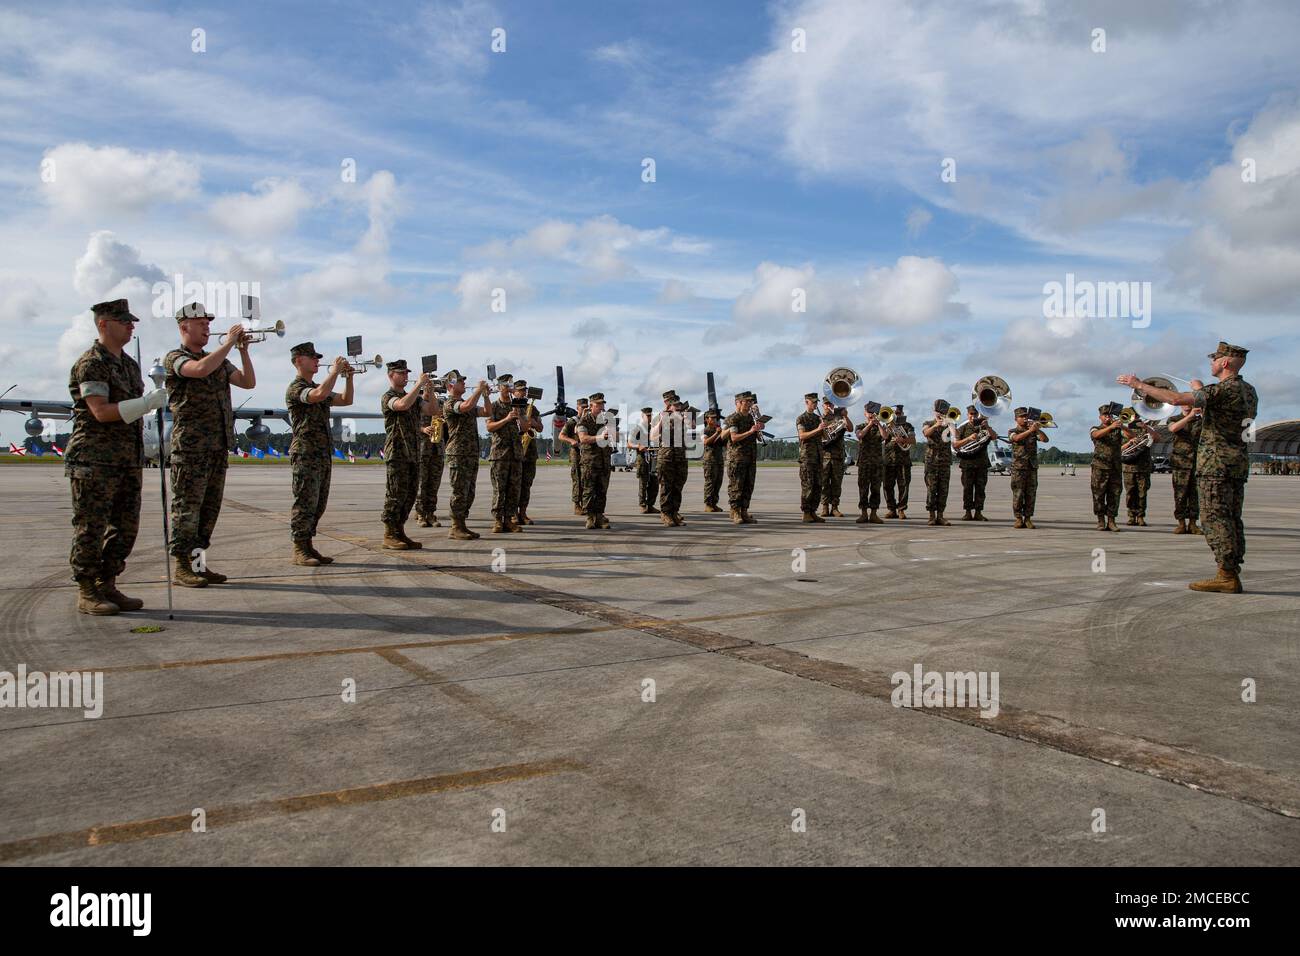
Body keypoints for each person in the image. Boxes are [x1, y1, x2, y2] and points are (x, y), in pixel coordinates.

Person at [1117, 342, 1258, 593]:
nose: (1211, 363)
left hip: (1216, 465)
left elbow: (1174, 398)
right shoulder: (1248, 390)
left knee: (1215, 519)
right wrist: (1202, 391)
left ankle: (1226, 575)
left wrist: (1138, 385)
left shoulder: (1222, 390)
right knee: (1232, 519)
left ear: (1225, 363)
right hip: (1236, 464)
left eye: (1214, 359)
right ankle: (1231, 570)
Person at [64, 298, 165, 614]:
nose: (131, 325)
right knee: (90, 528)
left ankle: (108, 584)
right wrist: (147, 403)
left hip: (126, 460)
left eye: (131, 321)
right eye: (124, 321)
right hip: (94, 460)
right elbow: (101, 412)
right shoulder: (91, 363)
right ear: (103, 324)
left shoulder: (129, 366)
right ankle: (87, 590)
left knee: (125, 529)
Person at [164, 302, 255, 587]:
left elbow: (247, 382)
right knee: (187, 510)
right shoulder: (175, 357)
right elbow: (200, 369)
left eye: (207, 322)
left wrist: (242, 350)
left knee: (208, 512)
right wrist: (228, 343)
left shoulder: (218, 359)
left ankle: (198, 565)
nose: (206, 327)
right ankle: (182, 567)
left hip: (216, 447)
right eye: (201, 323)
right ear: (184, 327)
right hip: (191, 449)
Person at [286, 342, 353, 565]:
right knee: (305, 501)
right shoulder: (296, 388)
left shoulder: (319, 386)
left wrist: (348, 378)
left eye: (317, 357)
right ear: (298, 361)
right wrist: (334, 371)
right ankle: (299, 548)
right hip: (305, 452)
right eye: (311, 357)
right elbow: (317, 395)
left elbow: (345, 400)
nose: (316, 360)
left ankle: (308, 545)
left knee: (318, 503)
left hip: (321, 453)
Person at [379, 359, 435, 549]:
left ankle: (399, 531)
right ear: (390, 375)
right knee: (395, 494)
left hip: (412, 452)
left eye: (406, 373)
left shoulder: (414, 397)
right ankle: (389, 534)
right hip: (397, 452)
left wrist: (431, 390)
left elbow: (433, 410)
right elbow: (401, 405)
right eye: (401, 373)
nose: (405, 376)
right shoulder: (388, 396)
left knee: (409, 495)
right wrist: (419, 384)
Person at [442, 371, 493, 540]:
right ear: (450, 386)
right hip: (458, 453)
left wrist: (485, 395)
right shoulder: (451, 403)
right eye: (461, 381)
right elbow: (464, 408)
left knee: (469, 491)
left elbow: (487, 412)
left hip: (470, 453)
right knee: (459, 490)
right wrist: (478, 391)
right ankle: (455, 526)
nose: (464, 383)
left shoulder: (467, 403)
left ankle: (462, 524)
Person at [486, 374, 524, 533]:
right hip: (500, 454)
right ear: (500, 387)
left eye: (511, 385)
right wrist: (507, 419)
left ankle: (509, 520)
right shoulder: (494, 406)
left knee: (513, 489)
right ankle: (497, 520)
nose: (509, 388)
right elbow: (489, 427)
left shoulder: (517, 405)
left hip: (515, 454)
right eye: (506, 385)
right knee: (499, 489)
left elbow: (525, 427)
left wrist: (519, 415)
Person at [576, 392, 614, 528]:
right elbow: (583, 438)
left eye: (602, 404)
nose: (601, 407)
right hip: (590, 461)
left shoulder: (606, 420)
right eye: (598, 404)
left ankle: (599, 516)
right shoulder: (584, 420)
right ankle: (590, 517)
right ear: (591, 405)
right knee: (589, 490)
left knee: (602, 490)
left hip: (604, 461)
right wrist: (599, 437)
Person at [1007, 406, 1050, 528]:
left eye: (1026, 416)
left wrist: (1037, 429)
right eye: (1022, 416)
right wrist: (1030, 431)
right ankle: (1018, 518)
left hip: (1031, 467)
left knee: (1031, 494)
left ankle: (1028, 518)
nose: (1025, 418)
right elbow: (1016, 438)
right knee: (1018, 494)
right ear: (1016, 419)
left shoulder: (1033, 431)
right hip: (1018, 468)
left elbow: (1045, 439)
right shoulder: (1012, 431)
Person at [725, 392, 763, 523]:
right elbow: (734, 438)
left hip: (750, 457)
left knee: (748, 485)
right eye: (746, 401)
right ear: (739, 402)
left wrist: (758, 429)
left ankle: (744, 511)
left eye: (750, 401)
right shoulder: (733, 418)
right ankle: (735, 512)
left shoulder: (751, 418)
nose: (749, 403)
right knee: (736, 486)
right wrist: (750, 431)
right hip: (737, 458)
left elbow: (757, 437)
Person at [952, 405, 994, 521]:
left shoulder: (984, 427)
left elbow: (994, 437)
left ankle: (978, 513)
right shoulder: (963, 428)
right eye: (971, 414)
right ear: (968, 415)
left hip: (982, 464)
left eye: (975, 414)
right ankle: (968, 512)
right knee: (967, 489)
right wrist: (969, 439)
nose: (973, 416)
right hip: (967, 464)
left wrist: (988, 427)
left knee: (981, 490)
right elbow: (955, 445)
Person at [415, 384, 447, 529]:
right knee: (422, 484)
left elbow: (446, 418)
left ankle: (430, 513)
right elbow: (409, 423)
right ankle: (421, 514)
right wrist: (422, 428)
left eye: (431, 389)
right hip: (422, 448)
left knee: (434, 483)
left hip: (437, 448)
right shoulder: (416, 402)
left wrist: (443, 419)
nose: (429, 391)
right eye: (427, 389)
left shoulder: (439, 403)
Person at [1168, 406, 1203, 535]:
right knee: (1180, 495)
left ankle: (1193, 524)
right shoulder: (1174, 418)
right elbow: (1173, 428)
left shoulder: (1201, 420)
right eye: (1184, 402)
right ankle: (1181, 523)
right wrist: (1189, 417)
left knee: (1195, 495)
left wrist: (1203, 413)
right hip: (1180, 463)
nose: (1187, 405)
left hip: (1197, 463)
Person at [1088, 405, 1124, 531]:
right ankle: (1100, 520)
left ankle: (1112, 521)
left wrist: (1122, 426)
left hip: (1115, 467)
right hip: (1100, 467)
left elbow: (1131, 437)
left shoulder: (1118, 429)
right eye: (1105, 415)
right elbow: (1096, 435)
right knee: (1098, 494)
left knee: (1115, 494)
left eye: (1109, 415)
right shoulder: (1095, 428)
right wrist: (1111, 427)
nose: (1108, 417)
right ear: (1100, 417)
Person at [654, 390, 688, 525]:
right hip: (666, 457)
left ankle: (674, 512)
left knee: (678, 486)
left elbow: (692, 427)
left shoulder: (682, 416)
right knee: (666, 487)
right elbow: (653, 436)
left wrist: (684, 417)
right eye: (672, 402)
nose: (676, 406)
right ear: (667, 403)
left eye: (677, 403)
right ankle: (666, 514)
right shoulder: (660, 416)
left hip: (680, 457)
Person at [513, 379, 543, 525]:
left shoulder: (533, 408)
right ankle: (512, 513)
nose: (523, 392)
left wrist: (533, 422)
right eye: (520, 390)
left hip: (529, 451)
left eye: (525, 390)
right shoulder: (510, 406)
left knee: (526, 484)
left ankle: (523, 513)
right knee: (513, 484)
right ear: (514, 391)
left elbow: (540, 428)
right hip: (514, 449)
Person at [921, 401, 954, 526]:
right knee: (931, 489)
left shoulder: (950, 424)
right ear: (935, 412)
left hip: (945, 463)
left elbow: (956, 436)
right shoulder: (928, 423)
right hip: (931, 462)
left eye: (943, 413)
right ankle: (931, 516)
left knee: (943, 490)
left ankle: (940, 516)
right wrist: (936, 425)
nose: (941, 415)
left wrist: (950, 425)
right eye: (939, 412)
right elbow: (925, 433)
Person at [795, 392, 826, 523]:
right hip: (807, 457)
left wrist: (825, 428)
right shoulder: (801, 418)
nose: (815, 404)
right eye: (813, 402)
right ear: (807, 402)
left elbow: (824, 436)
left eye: (816, 402)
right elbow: (802, 436)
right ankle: (806, 512)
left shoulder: (818, 418)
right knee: (808, 486)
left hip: (818, 456)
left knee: (818, 486)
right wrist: (818, 429)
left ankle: (813, 511)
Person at [1121, 417, 1159, 526]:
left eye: (1136, 416)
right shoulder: (1123, 430)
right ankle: (1131, 516)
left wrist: (1146, 427)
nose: (1134, 419)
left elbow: (1157, 438)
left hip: (1143, 467)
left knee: (1142, 493)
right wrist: (1129, 443)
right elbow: (1119, 448)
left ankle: (1141, 516)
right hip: (1128, 467)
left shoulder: (1146, 428)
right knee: (1130, 493)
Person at [854, 403, 887, 523]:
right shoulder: (860, 426)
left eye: (874, 413)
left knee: (876, 489)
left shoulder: (881, 426)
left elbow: (885, 436)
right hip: (864, 463)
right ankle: (863, 513)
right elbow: (860, 435)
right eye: (869, 413)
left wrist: (878, 424)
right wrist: (869, 424)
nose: (871, 415)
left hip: (877, 464)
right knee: (863, 489)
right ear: (865, 414)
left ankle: (873, 514)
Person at [557, 397, 588, 515]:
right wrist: (571, 441)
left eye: (587, 407)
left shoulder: (590, 420)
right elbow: (561, 436)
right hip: (576, 453)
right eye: (583, 407)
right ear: (578, 408)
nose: (585, 409)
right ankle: (577, 504)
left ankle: (586, 503)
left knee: (587, 479)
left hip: (587, 453)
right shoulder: (572, 421)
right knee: (577, 479)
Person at [882, 405, 914, 518]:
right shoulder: (886, 425)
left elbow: (913, 440)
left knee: (904, 486)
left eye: (899, 413)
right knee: (887, 485)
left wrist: (903, 439)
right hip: (888, 460)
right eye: (895, 413)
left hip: (903, 461)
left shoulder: (908, 426)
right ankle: (891, 509)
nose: (897, 415)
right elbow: (882, 437)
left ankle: (901, 509)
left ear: (902, 413)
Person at [819, 398, 848, 517]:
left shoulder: (838, 417)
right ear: (822, 405)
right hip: (824, 456)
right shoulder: (819, 419)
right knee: (824, 482)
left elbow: (849, 428)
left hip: (837, 456)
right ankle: (825, 507)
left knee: (837, 483)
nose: (828, 406)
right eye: (826, 404)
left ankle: (835, 507)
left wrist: (845, 416)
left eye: (830, 404)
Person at [631, 406, 659, 514]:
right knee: (643, 483)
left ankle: (650, 505)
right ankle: (643, 505)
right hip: (642, 458)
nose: (649, 417)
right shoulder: (637, 429)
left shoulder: (653, 428)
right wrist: (638, 446)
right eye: (647, 415)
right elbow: (629, 444)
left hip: (653, 457)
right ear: (642, 416)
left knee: (654, 483)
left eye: (650, 415)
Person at [701, 408, 726, 512]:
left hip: (719, 459)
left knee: (718, 482)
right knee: (710, 482)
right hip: (709, 460)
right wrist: (717, 434)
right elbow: (706, 442)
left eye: (716, 418)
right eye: (712, 418)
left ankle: (714, 503)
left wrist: (724, 435)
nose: (714, 419)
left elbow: (723, 443)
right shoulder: (705, 430)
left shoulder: (718, 429)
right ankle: (708, 504)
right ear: (707, 419)